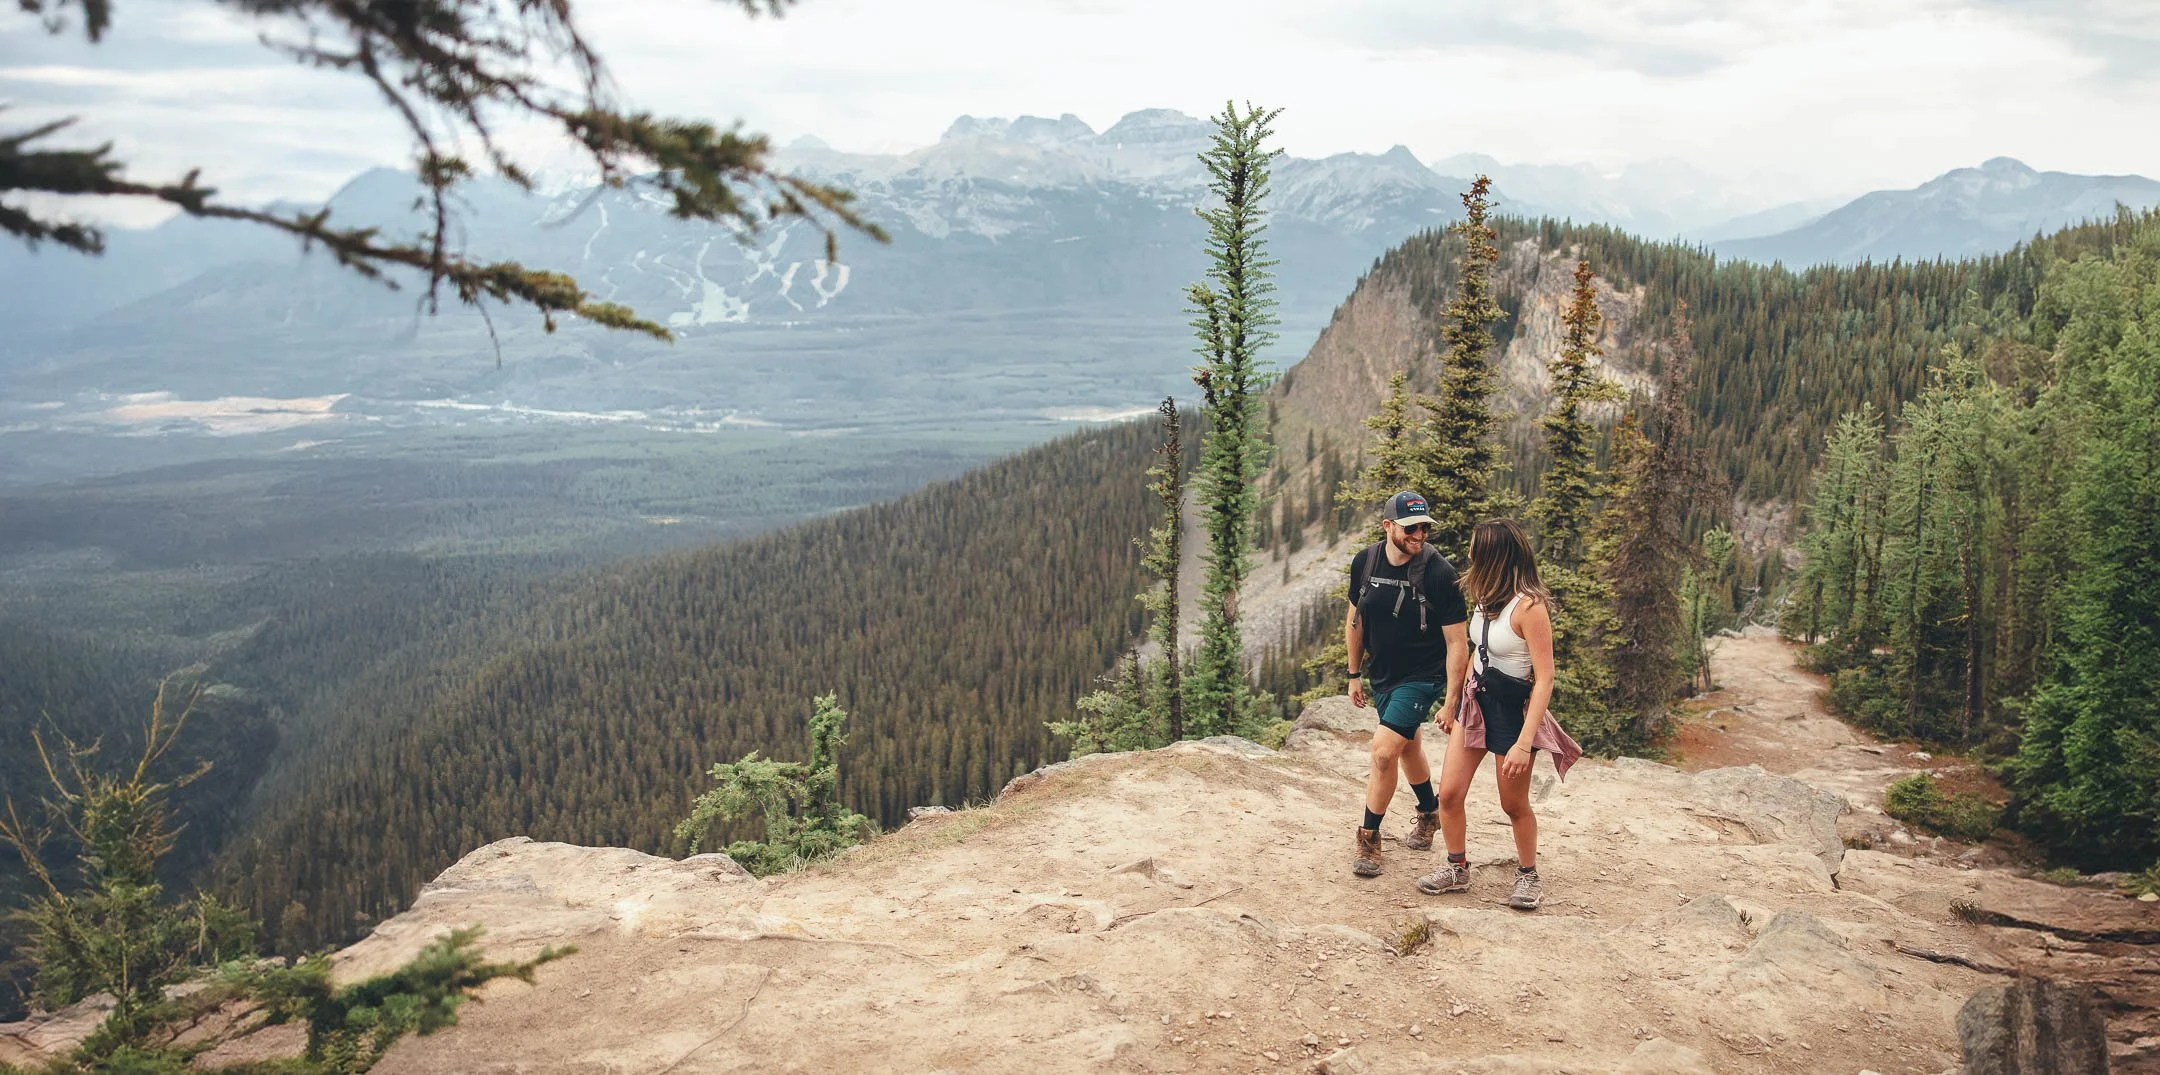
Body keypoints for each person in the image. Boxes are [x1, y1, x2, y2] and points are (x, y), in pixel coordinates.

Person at [1419, 518, 1558, 910]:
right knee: (1449, 793)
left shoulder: (1529, 607)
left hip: (1512, 714)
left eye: (1475, 546)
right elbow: (1474, 654)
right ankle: (1457, 867)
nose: (1469, 552)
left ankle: (1528, 875)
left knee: (1513, 804)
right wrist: (1452, 705)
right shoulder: (1485, 598)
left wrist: (1523, 744)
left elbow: (1545, 679)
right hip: (1476, 704)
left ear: (1494, 555)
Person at [1346, 491, 1470, 878]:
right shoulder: (1365, 561)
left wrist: (1450, 701)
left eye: (1424, 528)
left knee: (1384, 752)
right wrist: (1353, 673)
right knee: (1409, 745)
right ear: (1388, 526)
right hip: (1383, 674)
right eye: (1411, 527)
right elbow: (1355, 620)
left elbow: (1458, 643)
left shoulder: (1439, 572)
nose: (1419, 535)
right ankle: (1430, 812)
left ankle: (1369, 838)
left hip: (1422, 676)